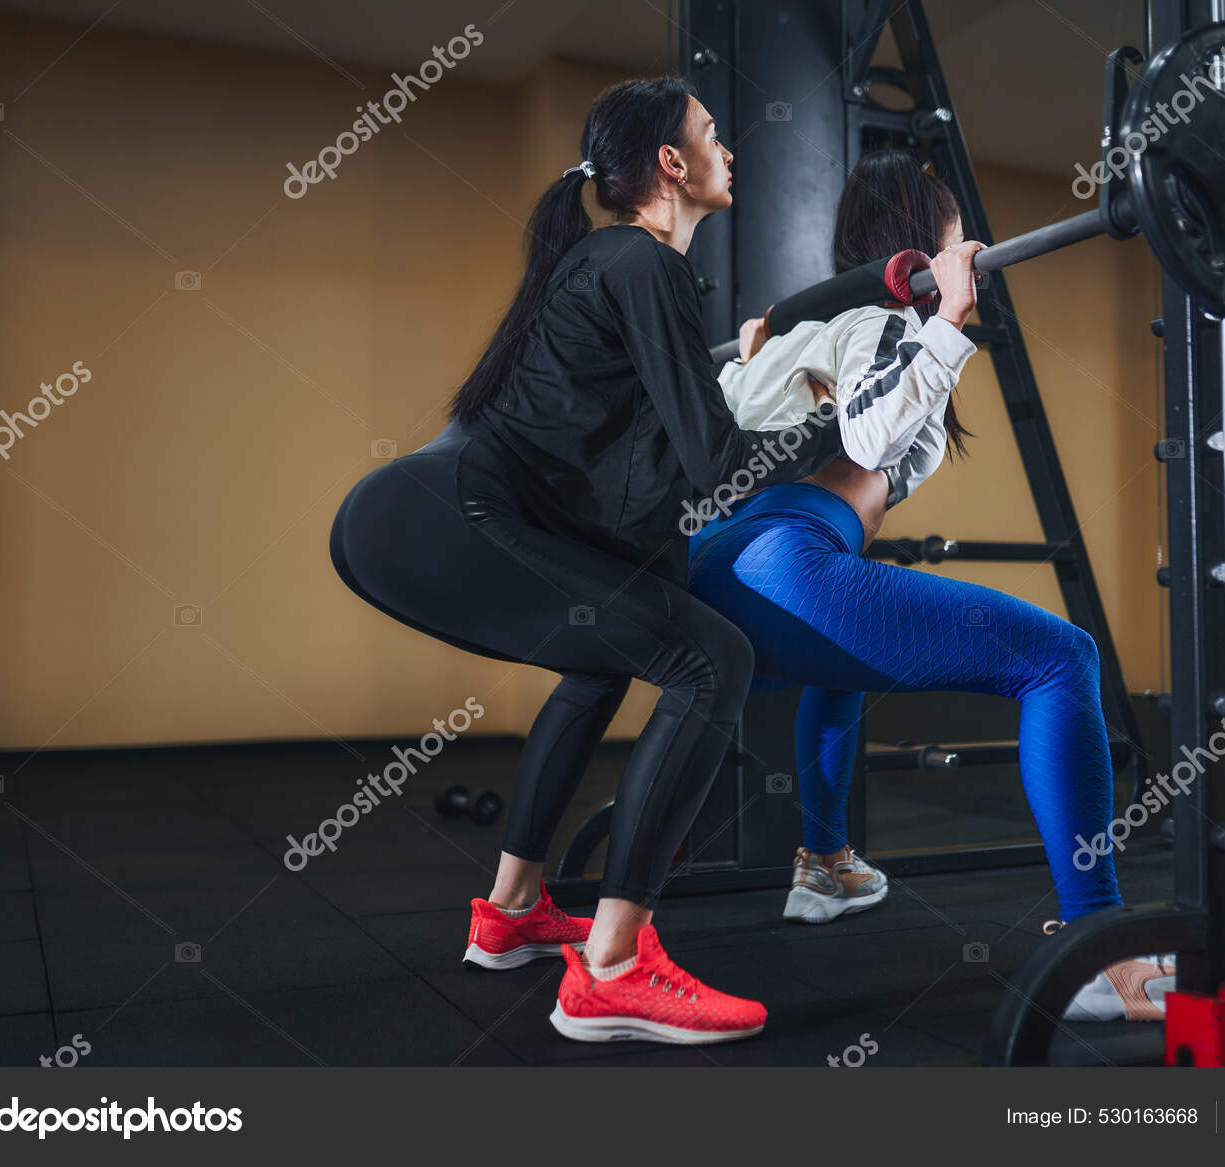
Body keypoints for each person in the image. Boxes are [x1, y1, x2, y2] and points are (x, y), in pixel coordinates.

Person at [328, 77, 854, 1044]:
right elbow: (708, 468)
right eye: (710, 132)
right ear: (670, 164)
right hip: (459, 514)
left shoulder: (615, 265)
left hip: (467, 507)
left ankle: (513, 912)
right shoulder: (637, 261)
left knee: (604, 657)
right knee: (713, 660)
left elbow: (639, 445)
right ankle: (611, 967)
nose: (727, 150)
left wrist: (736, 373)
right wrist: (827, 414)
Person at [686, 150, 1174, 1022]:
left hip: (716, 566)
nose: (971, 249)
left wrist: (755, 357)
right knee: (1063, 658)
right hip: (785, 555)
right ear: (924, 247)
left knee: (843, 664)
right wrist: (949, 310)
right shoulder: (884, 320)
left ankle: (827, 864)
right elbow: (873, 438)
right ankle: (1099, 951)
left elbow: (729, 424)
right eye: (958, 236)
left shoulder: (799, 336)